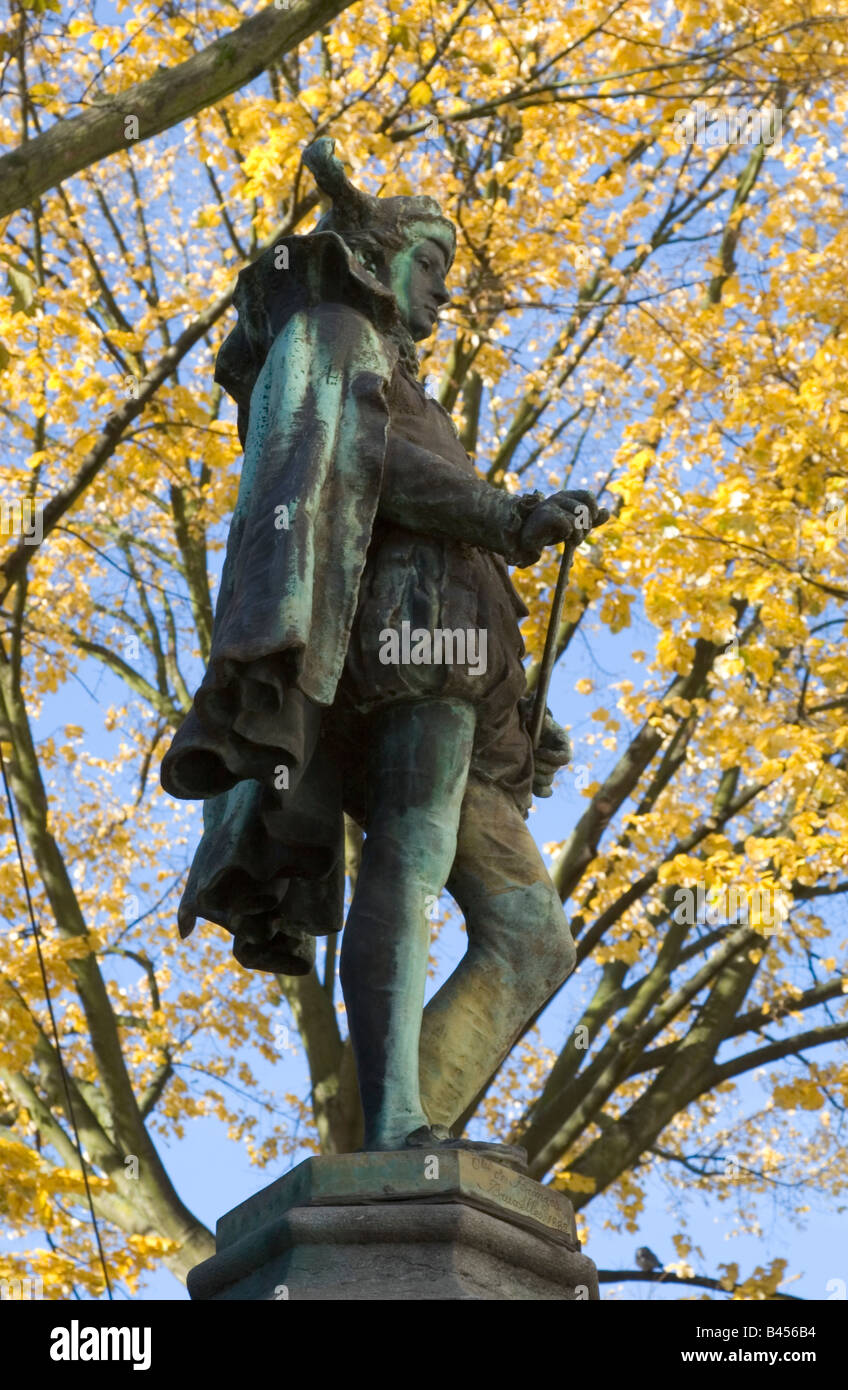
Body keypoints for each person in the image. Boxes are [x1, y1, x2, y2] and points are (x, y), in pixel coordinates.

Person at [160, 138, 608, 1160]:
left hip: (453, 664)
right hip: (404, 648)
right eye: (433, 271)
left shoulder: (397, 377)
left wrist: (518, 710)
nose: (443, 298)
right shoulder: (333, 335)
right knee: (405, 859)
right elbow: (368, 461)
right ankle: (400, 1118)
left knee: (533, 935)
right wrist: (510, 511)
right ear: (378, 257)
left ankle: (411, 1132)